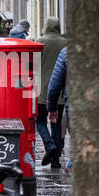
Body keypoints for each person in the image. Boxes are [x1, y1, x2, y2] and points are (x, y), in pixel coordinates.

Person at [37, 17, 66, 168]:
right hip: (60, 92)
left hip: (42, 91)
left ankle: (49, 146)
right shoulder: (65, 43)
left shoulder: (39, 41)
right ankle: (56, 161)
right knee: (56, 124)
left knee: (40, 121)